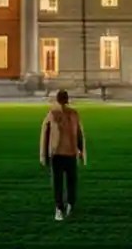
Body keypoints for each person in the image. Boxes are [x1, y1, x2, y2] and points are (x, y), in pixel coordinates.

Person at [39, 89, 86, 221]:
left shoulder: (70, 114)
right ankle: (62, 207)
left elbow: (78, 134)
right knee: (63, 183)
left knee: (65, 183)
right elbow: (46, 135)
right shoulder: (54, 114)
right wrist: (43, 154)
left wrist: (81, 150)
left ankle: (65, 206)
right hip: (61, 154)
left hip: (66, 154)